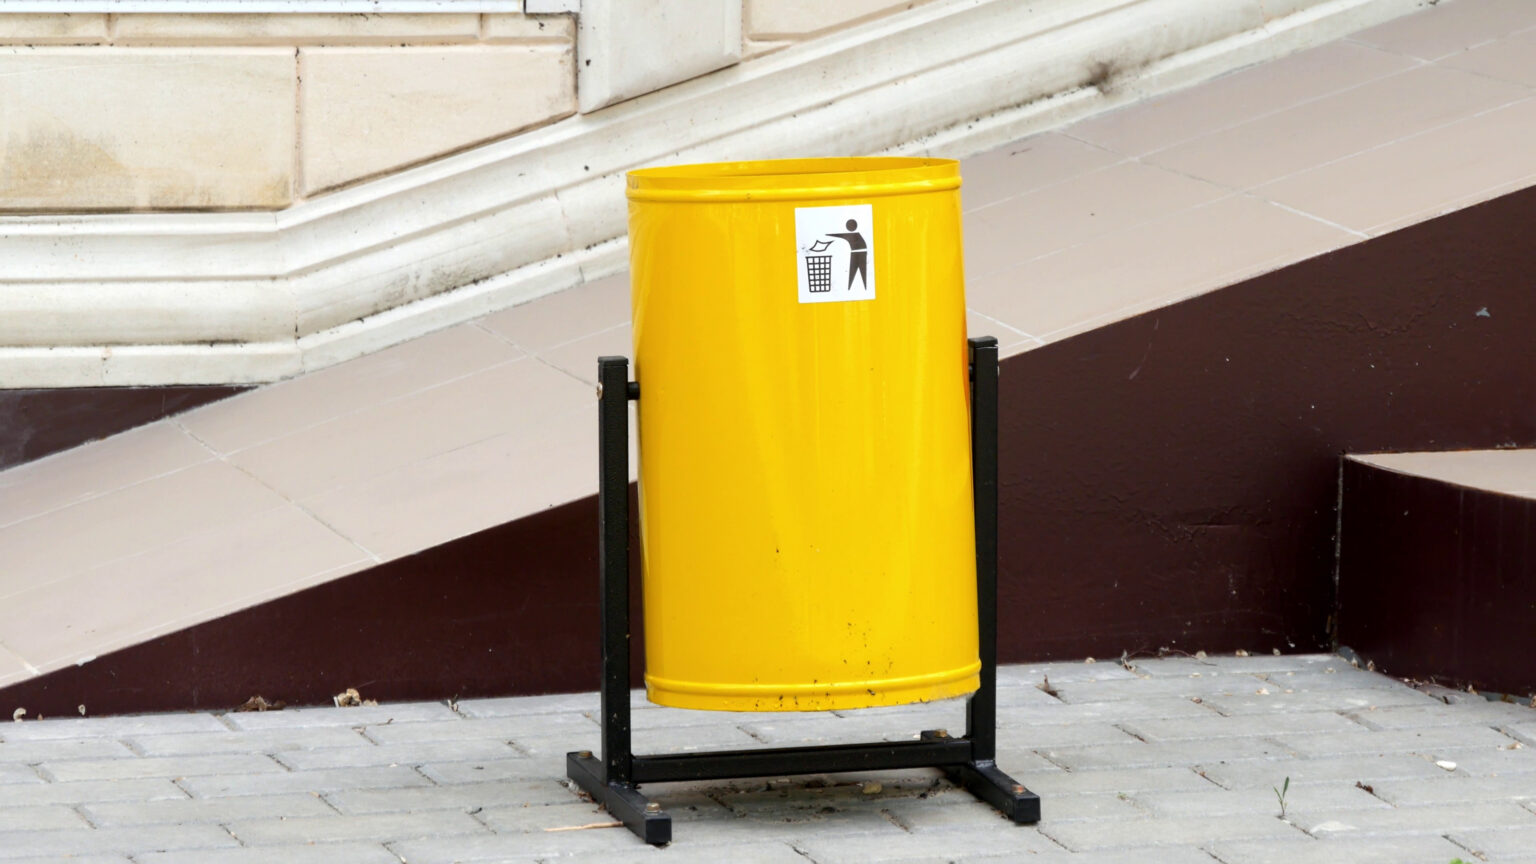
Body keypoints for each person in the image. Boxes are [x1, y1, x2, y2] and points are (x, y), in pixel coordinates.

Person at [827, 219, 869, 290]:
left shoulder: (855, 235)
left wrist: (828, 234)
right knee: (855, 274)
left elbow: (841, 235)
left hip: (859, 253)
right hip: (858, 252)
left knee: (858, 273)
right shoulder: (856, 235)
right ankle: (854, 288)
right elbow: (842, 235)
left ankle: (861, 288)